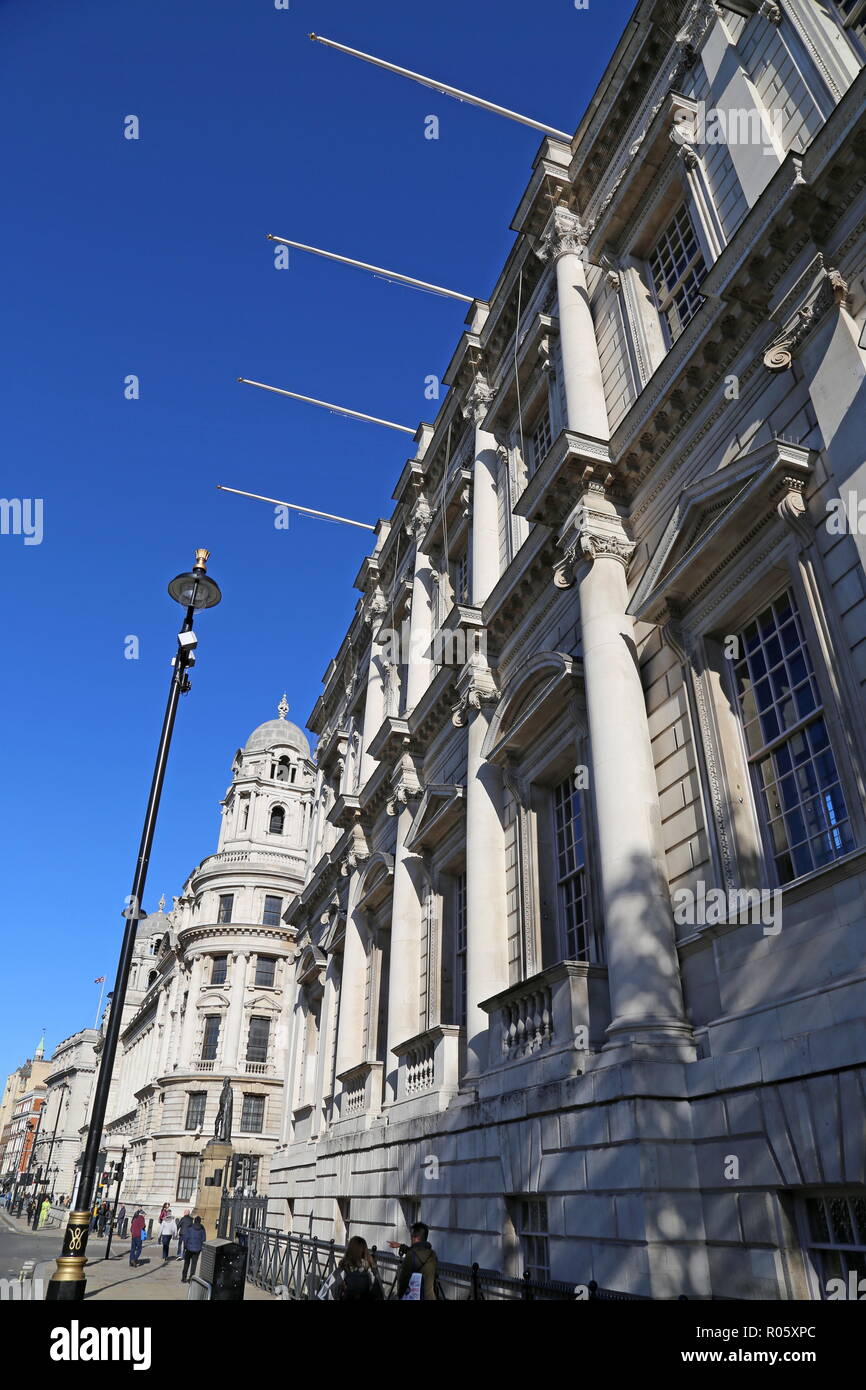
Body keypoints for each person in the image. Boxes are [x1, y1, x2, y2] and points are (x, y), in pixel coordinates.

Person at [392, 1222, 439, 1301]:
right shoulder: (432, 1255)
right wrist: (401, 1246)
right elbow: (436, 1276)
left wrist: (400, 1295)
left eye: (411, 1237)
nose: (411, 1239)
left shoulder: (411, 1255)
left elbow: (403, 1280)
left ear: (416, 1238)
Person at [332, 1236, 383, 1301]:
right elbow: (379, 1293)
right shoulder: (371, 1270)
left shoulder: (343, 1269)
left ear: (350, 1250)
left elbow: (330, 1290)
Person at [180, 1215, 206, 1283]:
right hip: (197, 1249)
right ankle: (191, 1278)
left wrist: (185, 1246)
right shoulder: (202, 1228)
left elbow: (186, 1238)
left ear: (194, 1221)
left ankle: (183, 1278)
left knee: (186, 1263)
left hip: (189, 1248)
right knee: (194, 1265)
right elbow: (204, 1239)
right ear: (200, 1221)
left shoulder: (190, 1227)